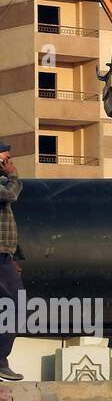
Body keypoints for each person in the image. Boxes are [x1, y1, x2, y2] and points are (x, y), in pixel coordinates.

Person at [0, 143, 22, 381]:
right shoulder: (5, 184)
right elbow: (11, 194)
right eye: (5, 160)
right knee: (16, 305)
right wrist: (12, 175)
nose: (9, 164)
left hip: (4, 256)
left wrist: (13, 257)